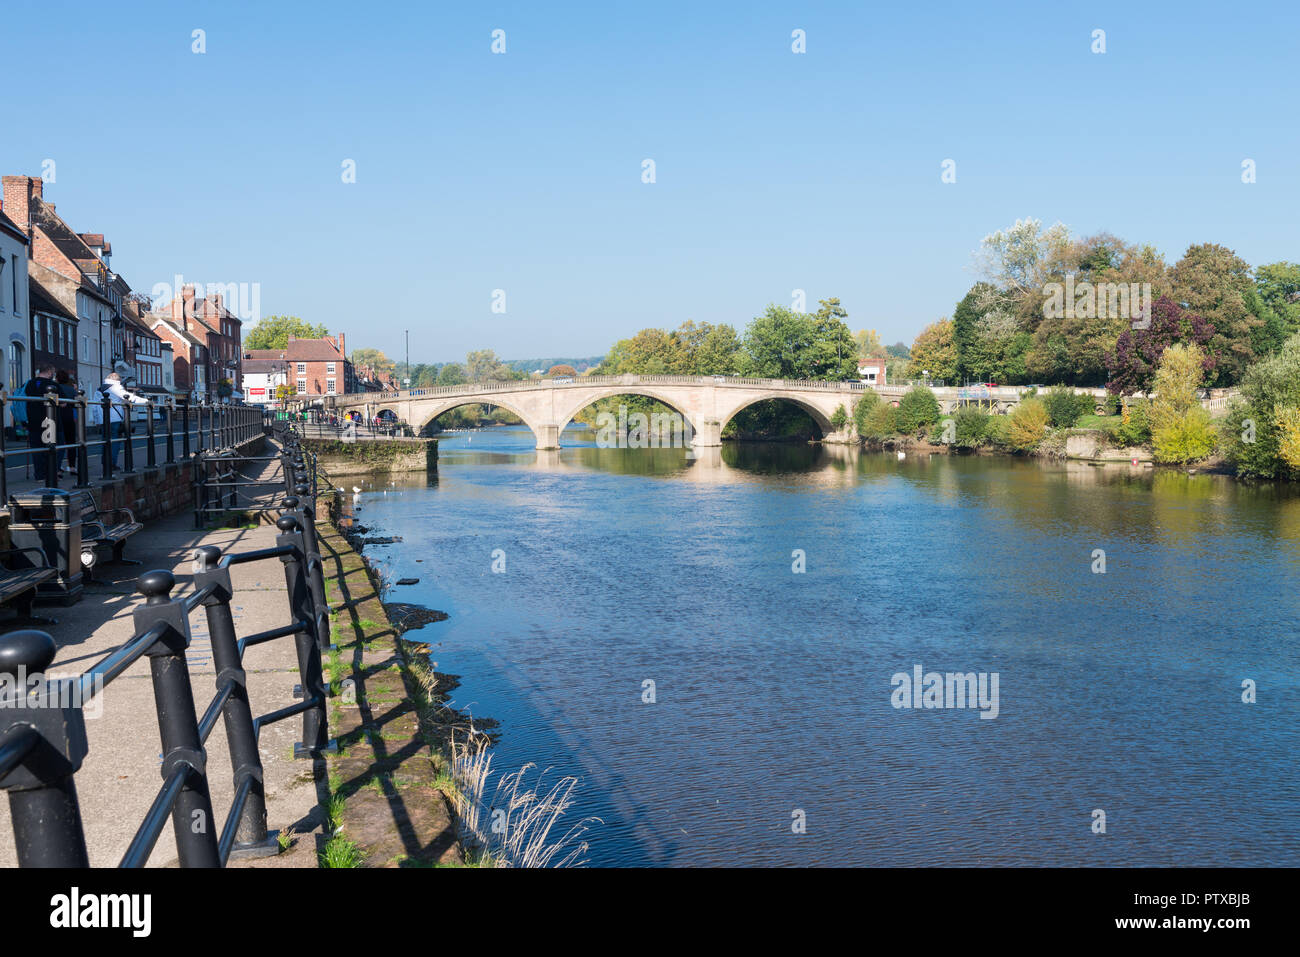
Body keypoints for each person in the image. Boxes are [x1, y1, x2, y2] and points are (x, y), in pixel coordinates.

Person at [100, 371, 148, 468]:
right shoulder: (115, 387)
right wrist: (147, 401)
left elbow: (95, 408)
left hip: (103, 420)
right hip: (114, 420)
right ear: (117, 380)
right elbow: (130, 397)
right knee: (115, 441)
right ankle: (111, 464)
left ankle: (105, 462)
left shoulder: (99, 389)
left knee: (105, 442)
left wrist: (97, 421)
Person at [55, 369, 79, 476]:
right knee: (71, 443)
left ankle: (58, 467)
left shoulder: (55, 389)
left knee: (58, 443)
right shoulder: (71, 390)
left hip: (56, 418)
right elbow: (76, 404)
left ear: (57, 379)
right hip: (69, 418)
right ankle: (72, 467)